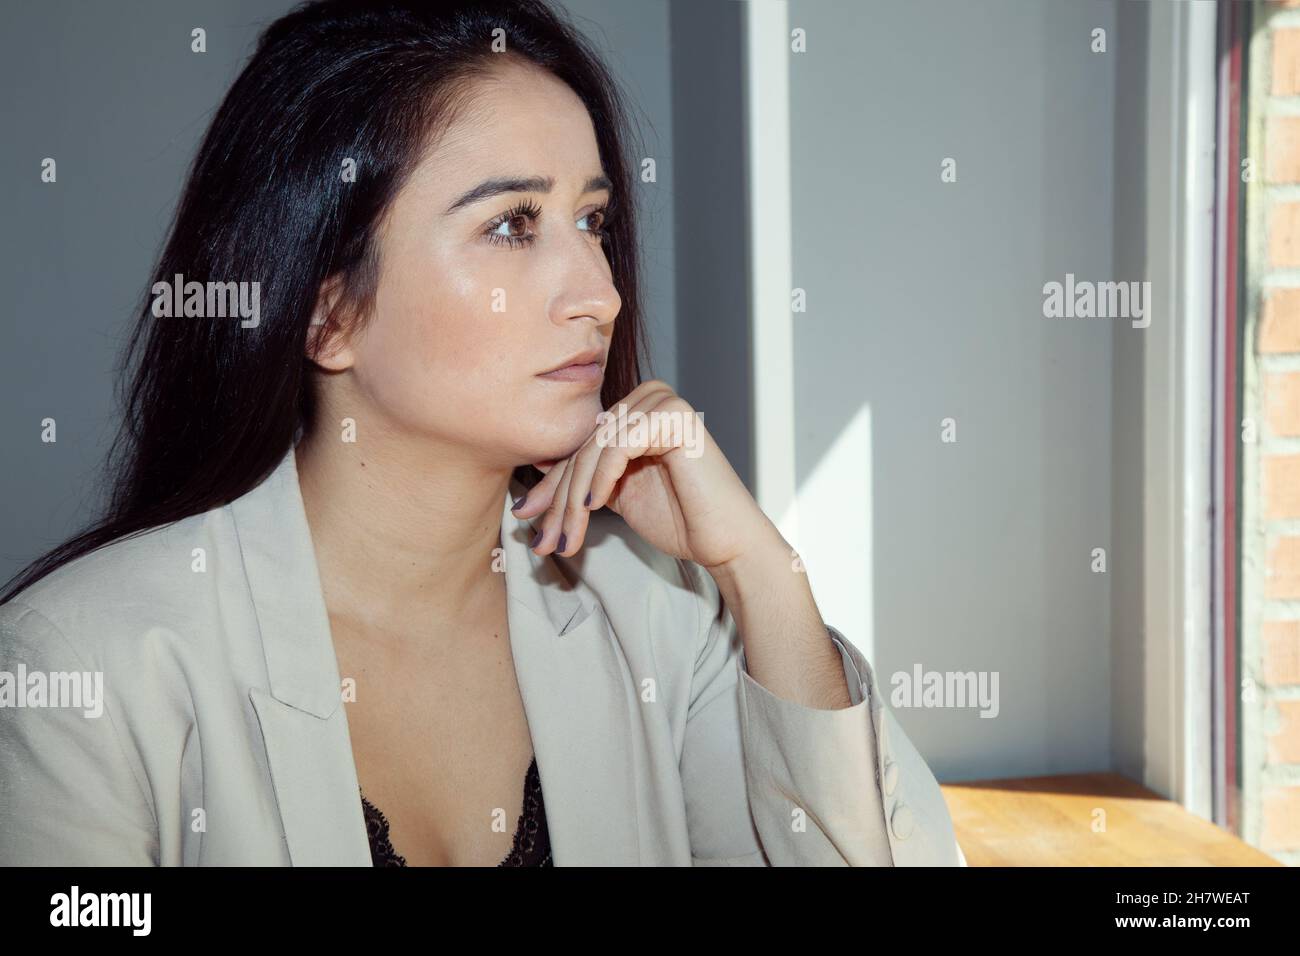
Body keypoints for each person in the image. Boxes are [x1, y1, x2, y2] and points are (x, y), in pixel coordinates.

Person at [0, 0, 966, 867]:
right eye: (512, 225)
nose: (603, 293)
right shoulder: (78, 671)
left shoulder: (660, 619)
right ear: (326, 312)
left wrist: (760, 568)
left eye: (593, 221)